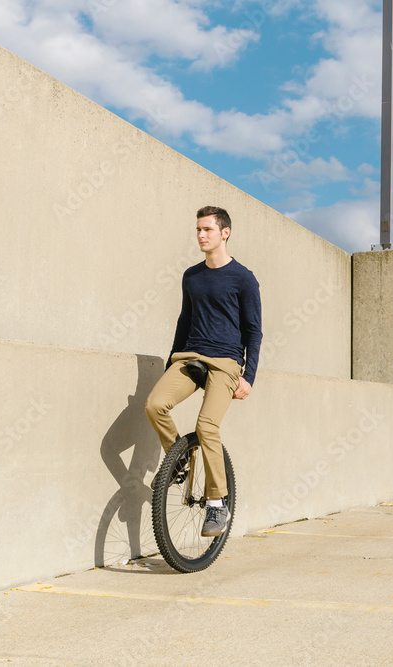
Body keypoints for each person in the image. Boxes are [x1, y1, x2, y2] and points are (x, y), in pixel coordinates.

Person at [144, 205, 262, 537]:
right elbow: (184, 321)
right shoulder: (191, 276)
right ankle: (178, 460)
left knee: (206, 425)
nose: (201, 235)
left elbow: (254, 331)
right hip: (189, 357)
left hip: (225, 362)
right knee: (154, 405)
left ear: (224, 232)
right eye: (198, 229)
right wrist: (171, 364)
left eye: (207, 229)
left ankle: (216, 503)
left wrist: (248, 376)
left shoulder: (243, 278)